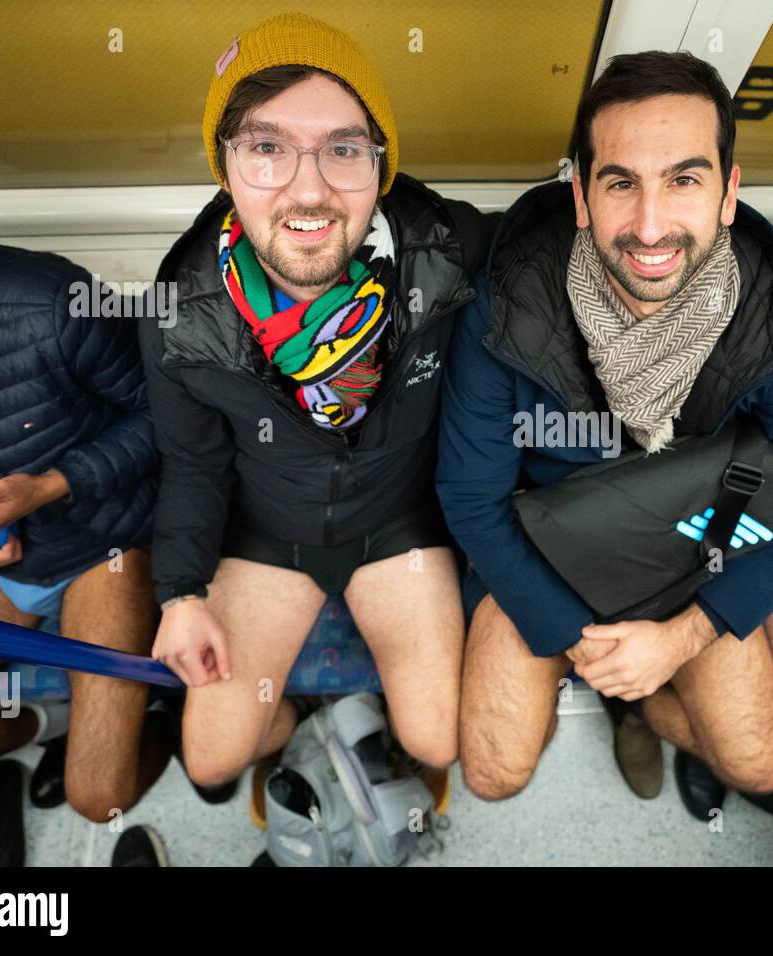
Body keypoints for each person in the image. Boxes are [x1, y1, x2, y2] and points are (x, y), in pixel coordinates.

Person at [436, 51, 773, 807]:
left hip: (697, 551)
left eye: (684, 180)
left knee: (760, 768)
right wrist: (575, 638)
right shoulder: (507, 298)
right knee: (494, 776)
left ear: (728, 193)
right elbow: (469, 499)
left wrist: (678, 642)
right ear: (582, 197)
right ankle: (616, 690)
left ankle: (648, 708)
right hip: (546, 550)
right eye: (621, 182)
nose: (650, 225)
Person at [139, 13, 494, 800]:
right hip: (268, 531)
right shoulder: (178, 310)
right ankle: (297, 720)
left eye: (343, 148)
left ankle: (376, 725)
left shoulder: (451, 250)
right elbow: (192, 462)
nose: (309, 187)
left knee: (440, 740)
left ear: (381, 164)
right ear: (225, 166)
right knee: (210, 760)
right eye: (266, 148)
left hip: (400, 521)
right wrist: (181, 593)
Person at [0, 234, 167, 865]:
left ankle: (164, 719)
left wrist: (55, 483)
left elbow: (170, 418)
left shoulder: (45, 300)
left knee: (99, 797)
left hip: (106, 539)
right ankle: (46, 725)